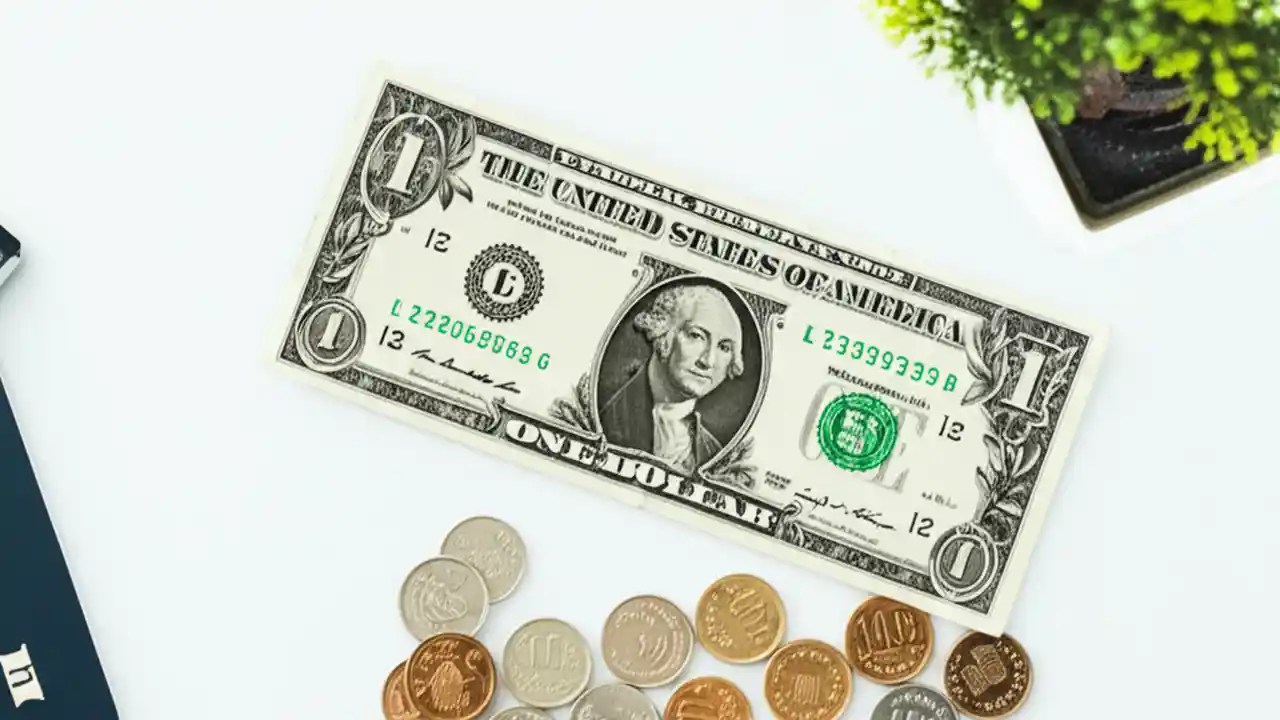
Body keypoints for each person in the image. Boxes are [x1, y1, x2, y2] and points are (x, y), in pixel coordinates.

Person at [598, 283, 746, 472]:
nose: (708, 361)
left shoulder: (713, 452)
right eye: (697, 336)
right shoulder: (604, 408)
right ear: (662, 333)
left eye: (724, 347)